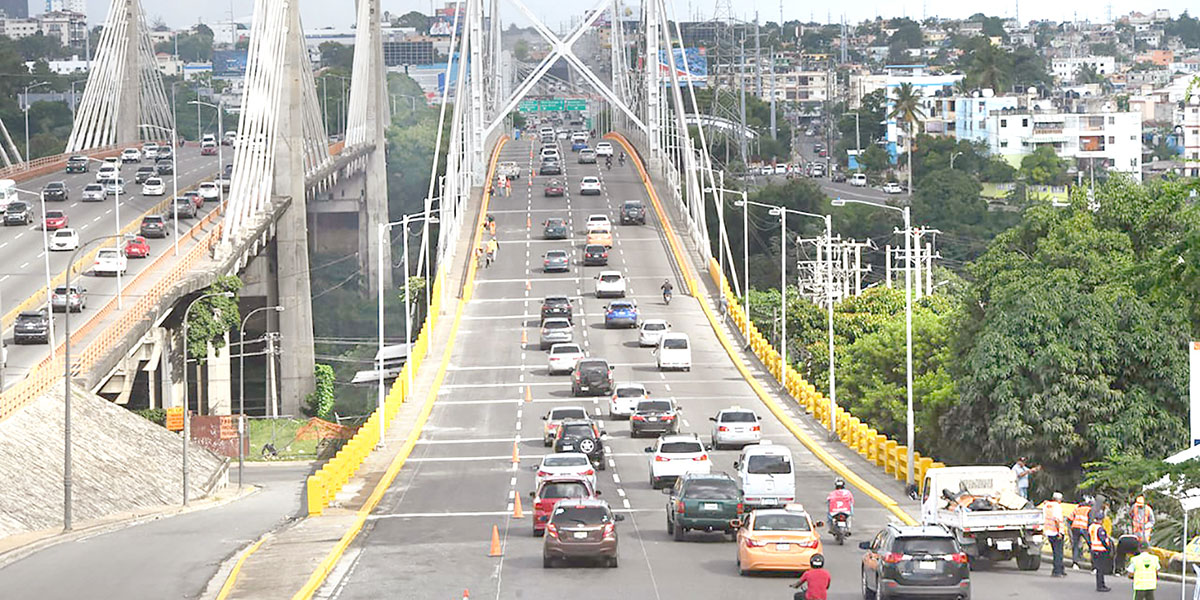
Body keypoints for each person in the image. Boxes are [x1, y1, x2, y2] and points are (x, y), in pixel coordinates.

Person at [1043, 491, 1066, 577]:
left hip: (1049, 531)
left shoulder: (1046, 506)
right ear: (1059, 500)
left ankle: (1060, 569)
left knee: (1055, 552)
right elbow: (1057, 520)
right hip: (1056, 532)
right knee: (1058, 553)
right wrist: (1060, 532)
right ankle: (1057, 571)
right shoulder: (1057, 506)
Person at [1090, 514, 1113, 592]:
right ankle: (1100, 586)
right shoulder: (1099, 528)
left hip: (1094, 549)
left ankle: (1101, 585)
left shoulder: (1091, 527)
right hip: (1100, 550)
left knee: (1098, 568)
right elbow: (1103, 539)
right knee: (1101, 569)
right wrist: (1108, 548)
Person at [1070, 496, 1093, 570]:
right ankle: (1094, 565)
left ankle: (1075, 563)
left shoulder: (1077, 508)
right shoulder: (1089, 509)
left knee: (1075, 545)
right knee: (1091, 545)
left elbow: (1070, 518)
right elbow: (1090, 520)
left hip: (1075, 527)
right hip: (1084, 528)